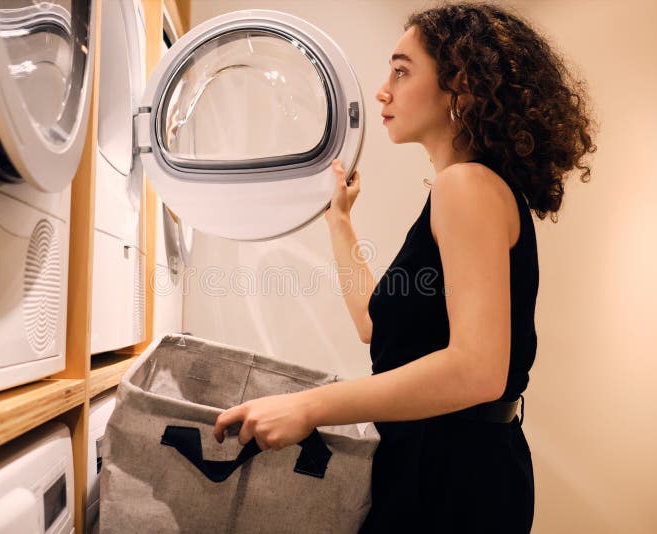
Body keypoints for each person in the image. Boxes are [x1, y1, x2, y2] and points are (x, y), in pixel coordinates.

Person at [213, 2, 596, 532]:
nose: (382, 91)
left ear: (460, 86)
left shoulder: (465, 187)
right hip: (440, 462)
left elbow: (478, 370)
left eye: (401, 70)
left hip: (456, 478)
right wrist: (339, 222)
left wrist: (308, 407)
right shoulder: (462, 189)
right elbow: (376, 327)